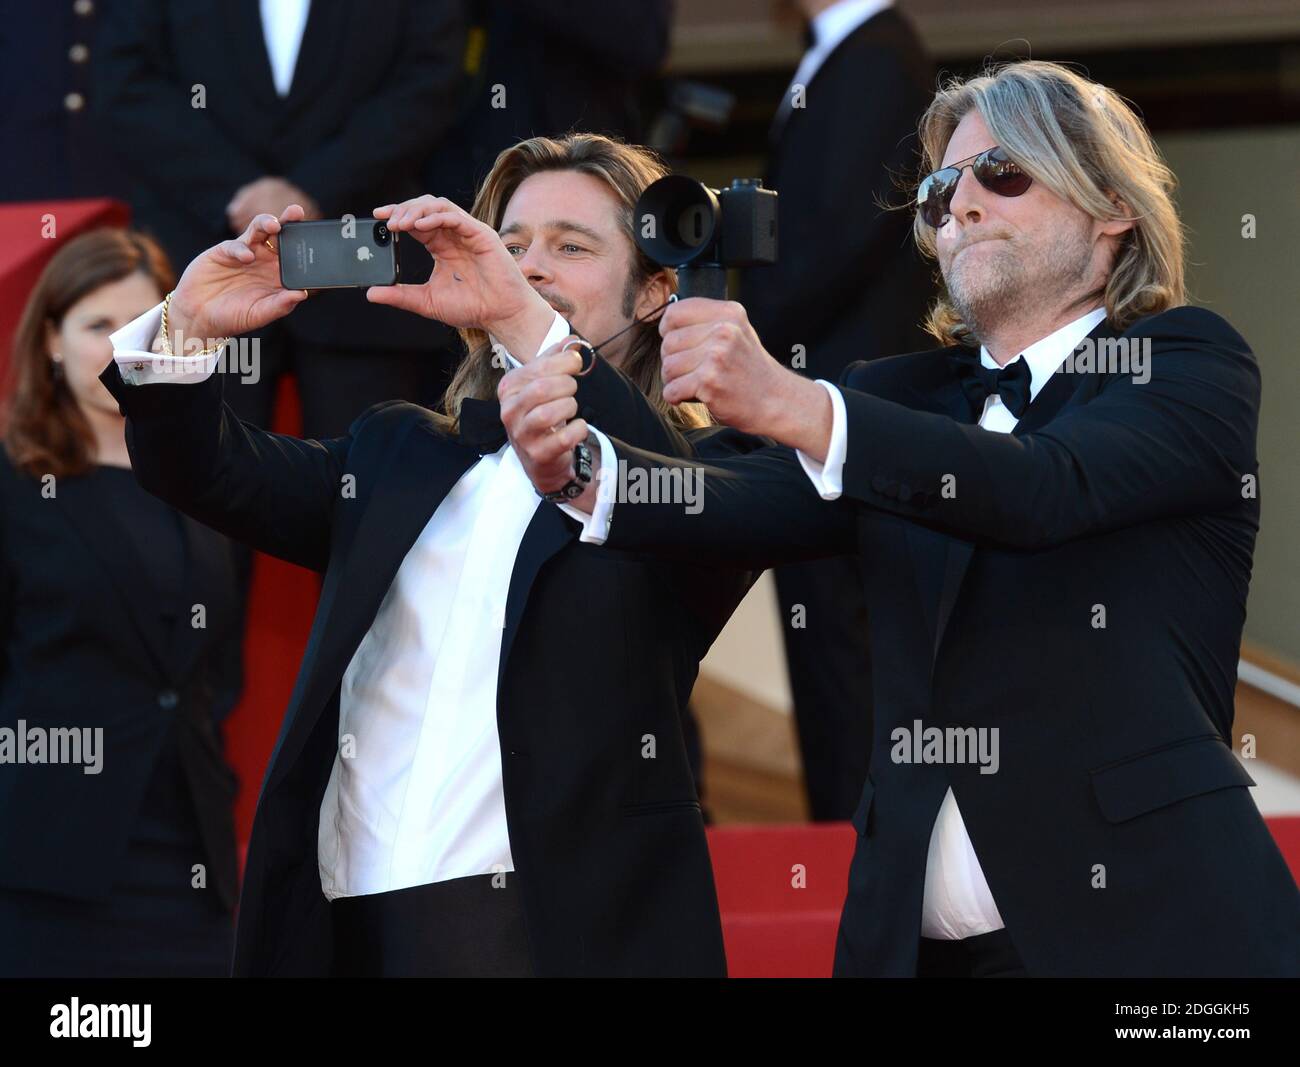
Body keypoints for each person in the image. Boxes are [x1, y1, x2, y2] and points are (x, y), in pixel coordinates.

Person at [508, 61, 1300, 976]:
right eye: (939, 187)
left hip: (1156, 940)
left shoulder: (1188, 359)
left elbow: (1047, 485)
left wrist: (801, 406)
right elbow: (720, 497)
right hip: (915, 950)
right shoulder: (901, 396)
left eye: (1002, 172)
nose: (959, 204)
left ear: (1110, 207)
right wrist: (558, 403)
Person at [100, 134, 760, 977]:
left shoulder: (712, 468)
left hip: (553, 933)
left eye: (570, 245)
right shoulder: (395, 451)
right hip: (349, 925)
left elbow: (694, 521)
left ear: (657, 289)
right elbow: (203, 469)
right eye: (510, 243)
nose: (527, 266)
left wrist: (527, 324)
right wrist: (188, 326)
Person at [0, 229, 244, 976]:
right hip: (47, 857)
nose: (115, 349)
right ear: (49, 339)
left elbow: (215, 672)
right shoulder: (13, 483)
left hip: (191, 856)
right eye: (94, 326)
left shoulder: (201, 473)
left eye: (137, 326)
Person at [749, 0, 935, 820]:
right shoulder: (845, 52)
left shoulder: (880, 52)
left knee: (842, 631)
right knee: (825, 627)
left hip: (846, 395)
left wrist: (744, 334)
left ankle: (861, 841)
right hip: (821, 391)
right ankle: (844, 837)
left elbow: (844, 232)